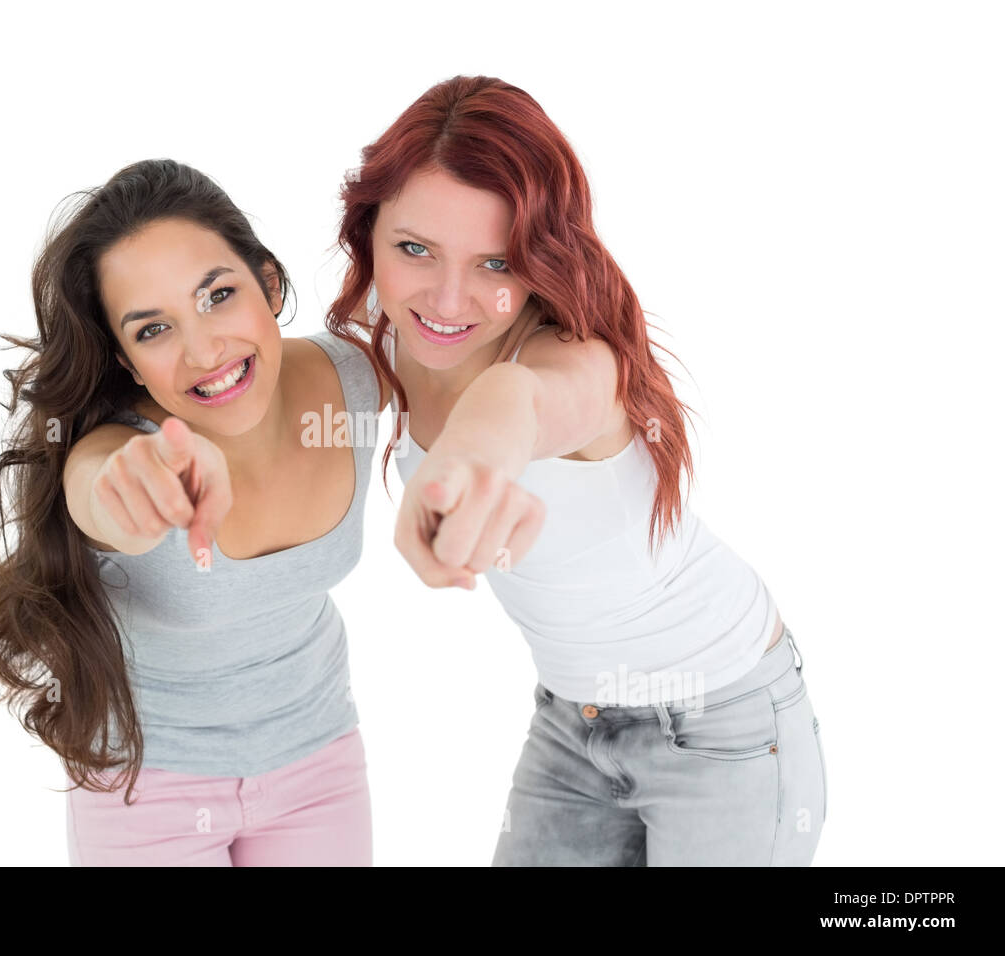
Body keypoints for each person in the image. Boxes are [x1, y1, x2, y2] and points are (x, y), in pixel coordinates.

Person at [325, 75, 827, 865]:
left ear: (538, 260)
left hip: (726, 717)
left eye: (495, 262)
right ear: (368, 231)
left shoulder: (574, 361)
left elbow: (518, 401)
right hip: (573, 720)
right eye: (414, 248)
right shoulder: (385, 348)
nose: (448, 299)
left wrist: (468, 458)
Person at [0, 158, 388, 865]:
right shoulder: (119, 447)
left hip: (319, 763)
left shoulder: (351, 382)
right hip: (148, 791)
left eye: (218, 294)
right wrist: (126, 491)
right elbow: (98, 481)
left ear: (269, 282)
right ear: (128, 362)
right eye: (152, 330)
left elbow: (475, 359)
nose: (203, 351)